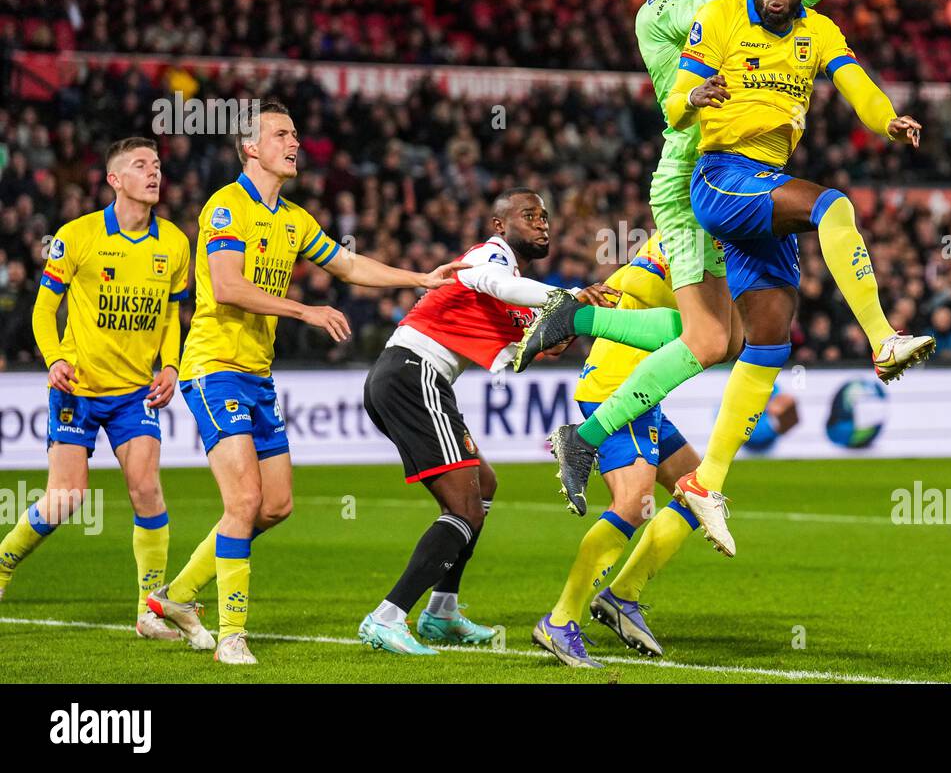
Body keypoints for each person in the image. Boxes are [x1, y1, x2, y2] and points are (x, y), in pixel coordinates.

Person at [515, 0, 825, 513]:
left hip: (726, 174)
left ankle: (579, 317)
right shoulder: (657, 14)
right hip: (691, 181)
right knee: (714, 341)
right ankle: (586, 434)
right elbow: (734, 6)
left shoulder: (714, 4)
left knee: (728, 337)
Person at [146, 100, 463, 664]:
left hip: (257, 376)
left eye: (295, 134)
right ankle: (233, 635)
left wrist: (420, 277)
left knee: (276, 506)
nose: (294, 143)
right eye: (281, 134)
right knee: (243, 499)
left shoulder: (291, 218)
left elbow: (347, 265)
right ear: (251, 147)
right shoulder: (226, 207)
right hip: (213, 367)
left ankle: (172, 599)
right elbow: (225, 287)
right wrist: (304, 311)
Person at [666, 0, 935, 555]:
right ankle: (883, 339)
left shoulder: (818, 30)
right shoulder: (724, 17)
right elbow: (674, 102)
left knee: (768, 340)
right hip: (722, 175)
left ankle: (706, 481)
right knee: (832, 206)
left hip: (762, 186)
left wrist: (887, 117)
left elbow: (853, 81)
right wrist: (694, 99)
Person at [358, 189, 610, 655]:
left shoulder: (513, 289)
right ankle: (387, 617)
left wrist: (544, 340)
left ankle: (442, 612)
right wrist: (569, 296)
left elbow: (512, 353)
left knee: (484, 486)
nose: (542, 224)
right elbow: (500, 286)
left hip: (417, 378)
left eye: (545, 217)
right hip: (413, 373)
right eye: (529, 215)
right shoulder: (489, 256)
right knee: (465, 510)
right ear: (500, 226)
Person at [0, 138, 189, 643]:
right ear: (114, 180)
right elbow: (43, 309)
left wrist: (170, 364)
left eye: (156, 164)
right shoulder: (77, 236)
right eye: (140, 166)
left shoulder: (173, 242)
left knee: (147, 490)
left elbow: (172, 312)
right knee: (66, 499)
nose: (153, 173)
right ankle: (3, 561)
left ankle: (149, 610)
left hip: (134, 393)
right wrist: (55, 357)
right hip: (78, 387)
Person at [533, 232, 704, 667]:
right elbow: (695, 325)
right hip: (620, 388)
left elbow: (623, 286)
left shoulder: (679, 235)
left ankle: (622, 595)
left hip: (640, 386)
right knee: (633, 504)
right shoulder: (695, 241)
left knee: (698, 489)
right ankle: (561, 619)